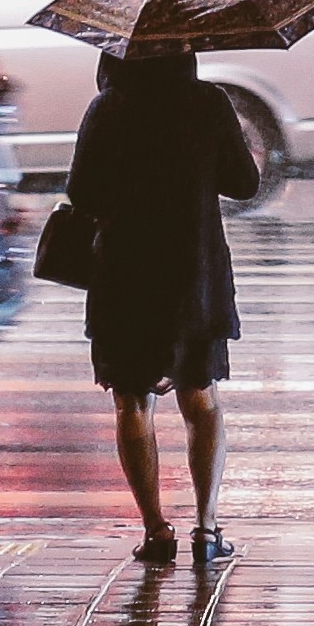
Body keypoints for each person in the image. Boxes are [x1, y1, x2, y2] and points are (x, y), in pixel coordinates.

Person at [74, 33, 257, 562]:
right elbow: (243, 183)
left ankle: (156, 530)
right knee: (201, 399)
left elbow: (81, 193)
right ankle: (207, 529)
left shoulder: (109, 107)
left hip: (125, 275)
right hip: (194, 273)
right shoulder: (208, 102)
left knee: (133, 398)